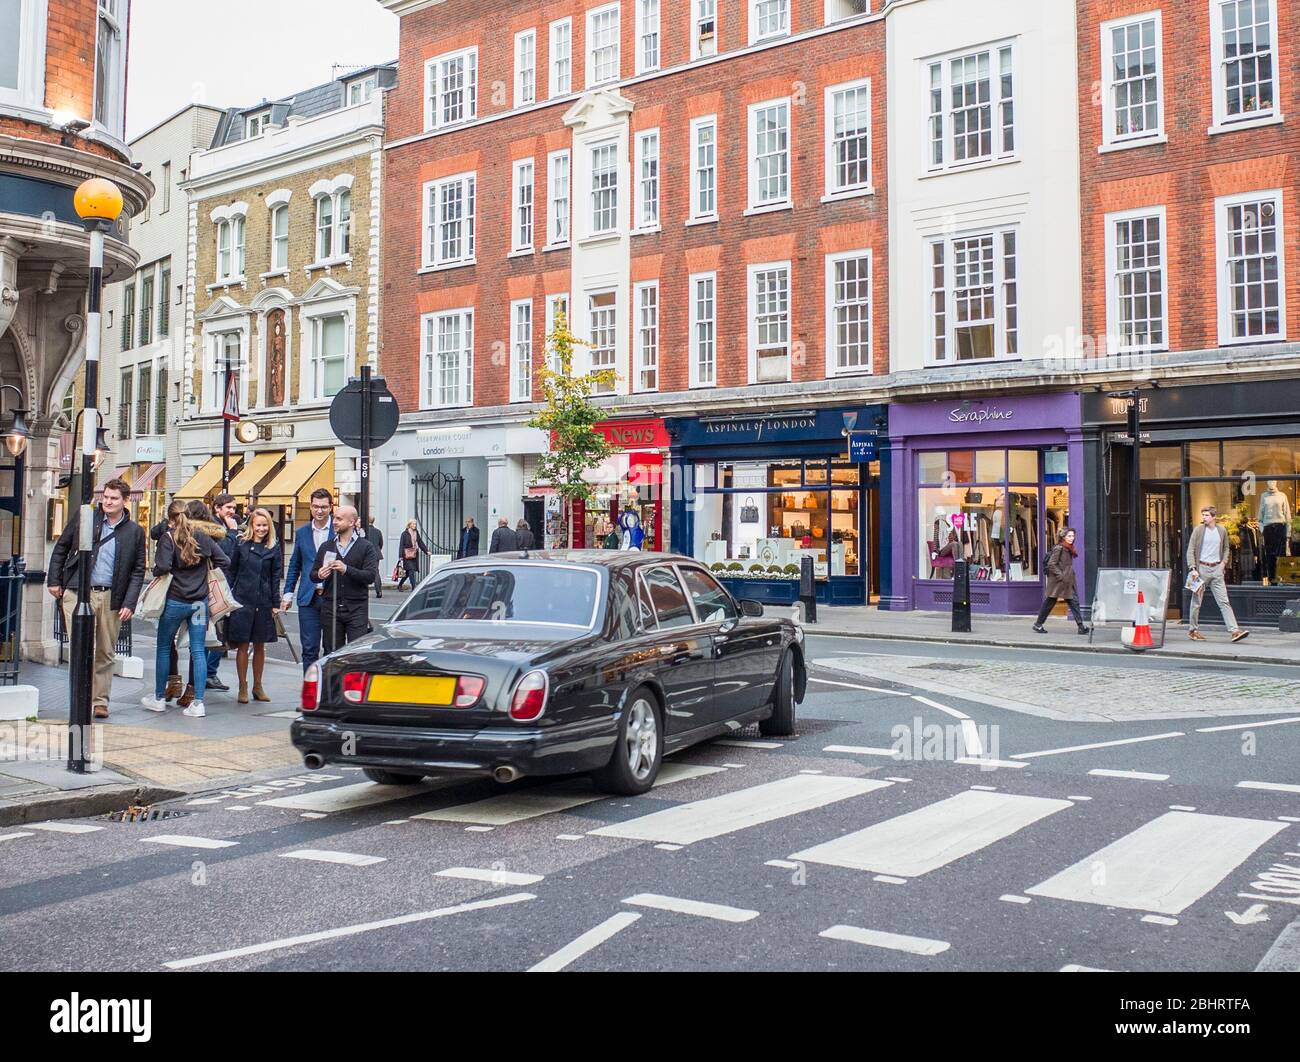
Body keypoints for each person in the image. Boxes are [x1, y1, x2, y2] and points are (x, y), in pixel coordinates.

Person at [47, 478, 146, 719]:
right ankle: (79, 697)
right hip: (77, 592)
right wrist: (54, 580)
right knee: (81, 648)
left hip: (112, 597)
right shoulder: (86, 518)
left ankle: (100, 701)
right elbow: (62, 547)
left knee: (105, 651)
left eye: (114, 498)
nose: (108, 502)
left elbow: (138, 569)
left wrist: (129, 602)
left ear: (125, 501)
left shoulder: (134, 532)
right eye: (105, 497)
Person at [141, 500, 230, 718]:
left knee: (164, 647)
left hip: (175, 600)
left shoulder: (168, 538)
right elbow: (224, 560)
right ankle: (198, 703)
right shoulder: (202, 537)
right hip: (200, 602)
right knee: (198, 650)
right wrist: (203, 569)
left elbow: (161, 568)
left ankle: (159, 698)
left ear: (171, 519)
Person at [226, 508, 283, 703]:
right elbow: (231, 572)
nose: (261, 529)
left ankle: (258, 686)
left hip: (264, 600)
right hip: (242, 599)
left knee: (260, 645)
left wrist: (276, 603)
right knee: (242, 644)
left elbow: (276, 576)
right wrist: (228, 598)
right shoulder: (241, 544)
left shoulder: (274, 547)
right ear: (251, 525)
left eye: (265, 525)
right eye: (258, 525)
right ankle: (243, 685)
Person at [310, 504, 379, 653]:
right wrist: (319, 574)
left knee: (355, 653)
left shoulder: (366, 547)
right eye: (334, 518)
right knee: (332, 653)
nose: (334, 521)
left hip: (357, 609)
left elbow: (370, 576)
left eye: (339, 519)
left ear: (351, 522)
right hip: (331, 608)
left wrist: (346, 569)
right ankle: (334, 678)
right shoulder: (326, 546)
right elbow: (313, 575)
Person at [282, 488, 334, 671]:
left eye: (324, 507)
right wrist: (287, 593)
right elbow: (295, 564)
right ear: (311, 507)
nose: (319, 511)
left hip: (332, 598)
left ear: (330, 507)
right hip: (308, 598)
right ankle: (310, 693)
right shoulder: (302, 532)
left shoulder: (338, 530)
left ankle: (328, 693)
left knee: (331, 649)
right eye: (315, 506)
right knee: (309, 649)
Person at [1187, 506, 1250, 643]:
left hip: (1216, 569)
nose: (1204, 517)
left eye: (1207, 515)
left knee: (1224, 601)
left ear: (1214, 517)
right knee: (1196, 601)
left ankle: (1234, 631)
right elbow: (1190, 549)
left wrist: (1223, 563)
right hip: (1201, 568)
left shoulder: (1221, 530)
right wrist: (1193, 568)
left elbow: (1226, 548)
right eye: (1203, 515)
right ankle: (1193, 630)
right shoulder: (1198, 530)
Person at [204, 492, 241, 692]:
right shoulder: (213, 526)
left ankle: (209, 671)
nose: (232, 512)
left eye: (234, 508)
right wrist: (233, 534)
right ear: (217, 508)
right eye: (228, 508)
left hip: (225, 582)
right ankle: (208, 673)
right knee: (216, 630)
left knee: (221, 630)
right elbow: (223, 552)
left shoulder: (227, 525)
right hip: (214, 584)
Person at [1032, 528, 1088, 634]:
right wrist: (1061, 576)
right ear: (1063, 537)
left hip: (1067, 579)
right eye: (1069, 536)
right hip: (1059, 580)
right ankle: (1038, 624)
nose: (1072, 538)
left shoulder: (1069, 548)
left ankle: (1081, 626)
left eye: (1073, 536)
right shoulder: (1059, 548)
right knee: (1051, 602)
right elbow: (1051, 564)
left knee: (1073, 601)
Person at [396, 519, 428, 590]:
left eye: (415, 524)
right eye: (413, 524)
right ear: (409, 525)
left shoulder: (416, 532)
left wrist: (426, 551)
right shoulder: (404, 533)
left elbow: (420, 542)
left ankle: (400, 585)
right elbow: (401, 545)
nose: (414, 525)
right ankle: (414, 588)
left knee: (408, 572)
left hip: (414, 555)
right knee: (411, 571)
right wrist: (400, 556)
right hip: (406, 556)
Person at [365, 516, 385, 599]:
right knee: (376, 572)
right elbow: (381, 543)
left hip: (366, 553)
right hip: (376, 554)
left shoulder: (365, 531)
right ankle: (379, 591)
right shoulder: (378, 531)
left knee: (364, 571)